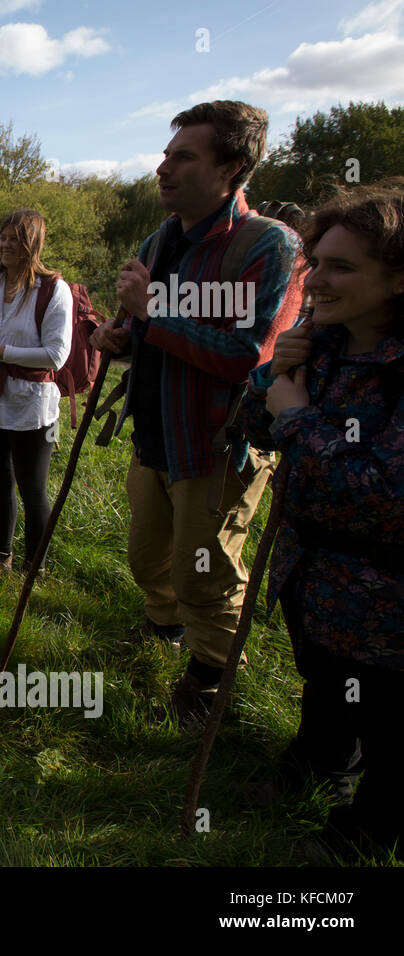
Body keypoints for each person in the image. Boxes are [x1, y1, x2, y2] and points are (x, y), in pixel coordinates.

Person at [90, 100, 305, 727]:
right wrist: (121, 336)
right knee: (146, 559)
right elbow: (145, 331)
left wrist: (152, 317)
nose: (164, 167)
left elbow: (249, 357)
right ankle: (169, 638)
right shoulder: (160, 241)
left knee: (205, 574)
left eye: (184, 156)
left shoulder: (269, 245)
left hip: (216, 444)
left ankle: (206, 685)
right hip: (155, 434)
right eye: (166, 153)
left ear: (232, 166)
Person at [237, 180, 404, 858]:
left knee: (391, 718)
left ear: (397, 277)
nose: (319, 281)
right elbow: (257, 431)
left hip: (387, 592)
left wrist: (295, 415)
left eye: (341, 267)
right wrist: (273, 379)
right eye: (316, 264)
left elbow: (385, 494)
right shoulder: (323, 345)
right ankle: (320, 764)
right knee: (327, 679)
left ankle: (366, 833)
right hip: (313, 572)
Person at [0, 210, 72, 575]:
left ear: (32, 243)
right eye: (3, 237)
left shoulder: (54, 289)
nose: (5, 245)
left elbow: (56, 354)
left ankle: (33, 565)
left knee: (32, 487)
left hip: (30, 402)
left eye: (14, 239)